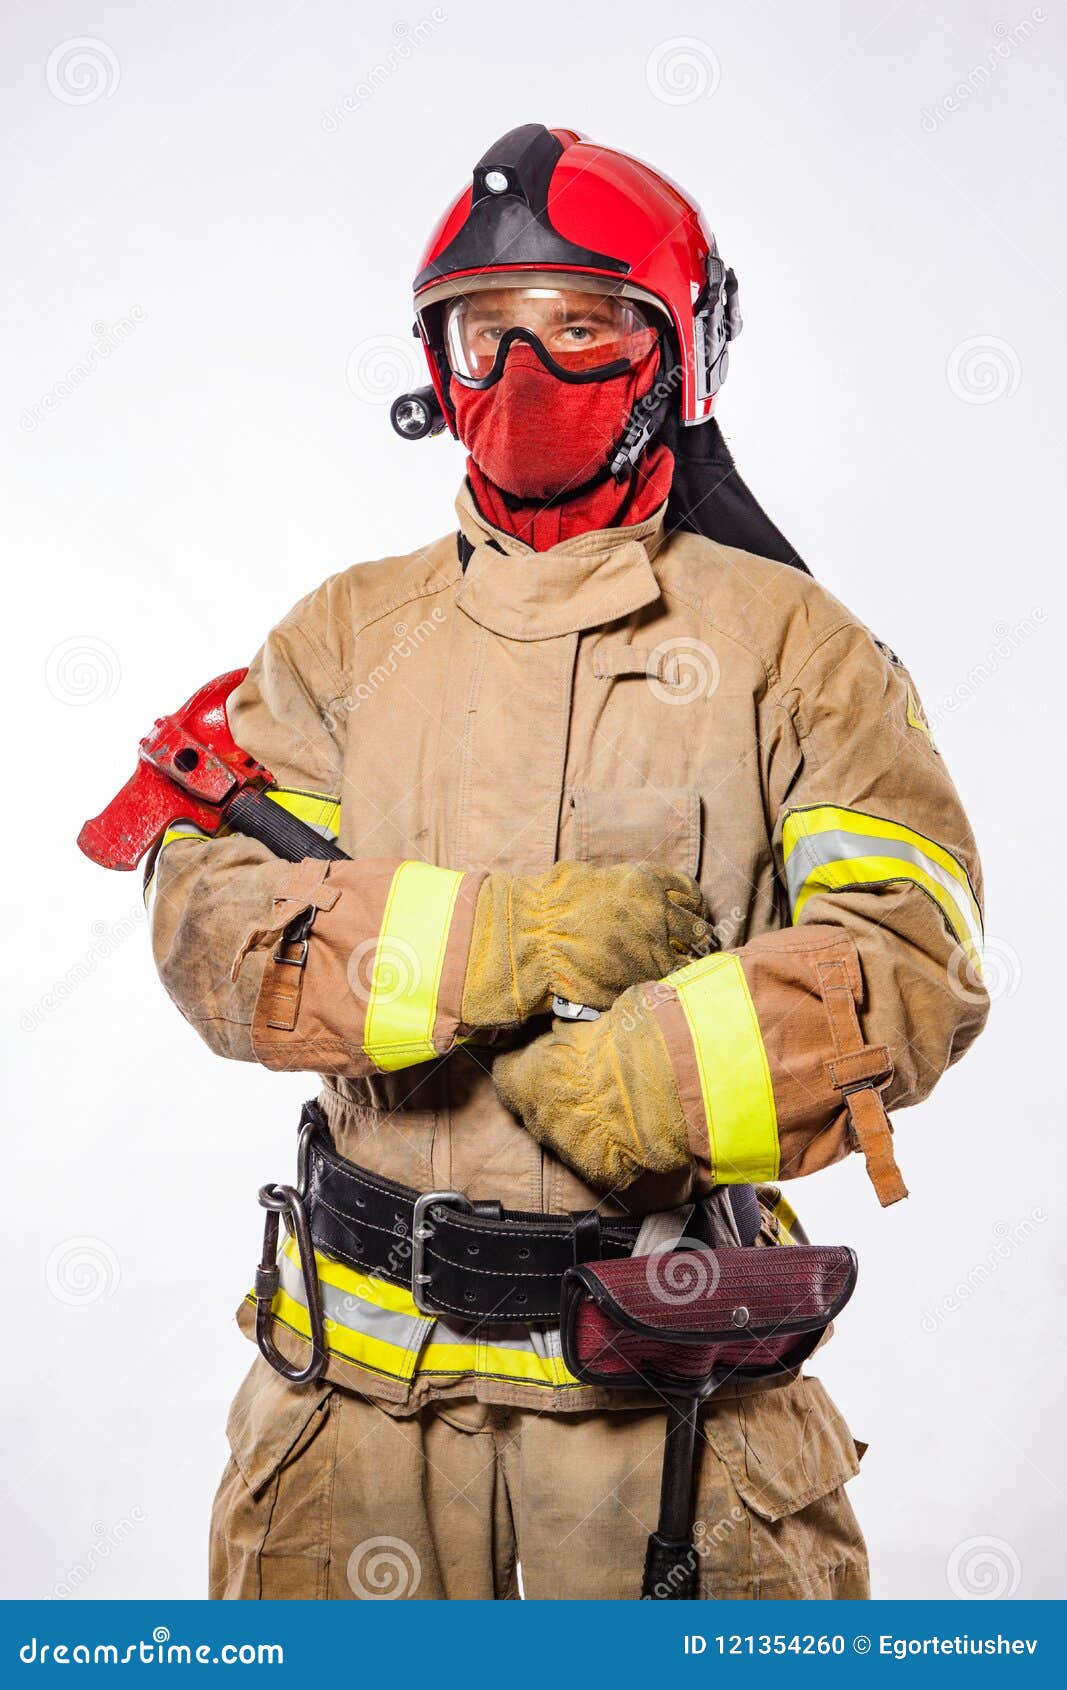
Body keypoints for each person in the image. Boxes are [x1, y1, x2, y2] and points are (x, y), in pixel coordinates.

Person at [146, 125, 988, 1601]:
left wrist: (662, 1076)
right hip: (351, 1430)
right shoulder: (347, 634)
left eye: (581, 327)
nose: (523, 374)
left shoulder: (803, 649)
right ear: (438, 362)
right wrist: (484, 947)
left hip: (669, 1420)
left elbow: (915, 961)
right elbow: (209, 917)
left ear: (674, 356)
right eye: (488, 332)